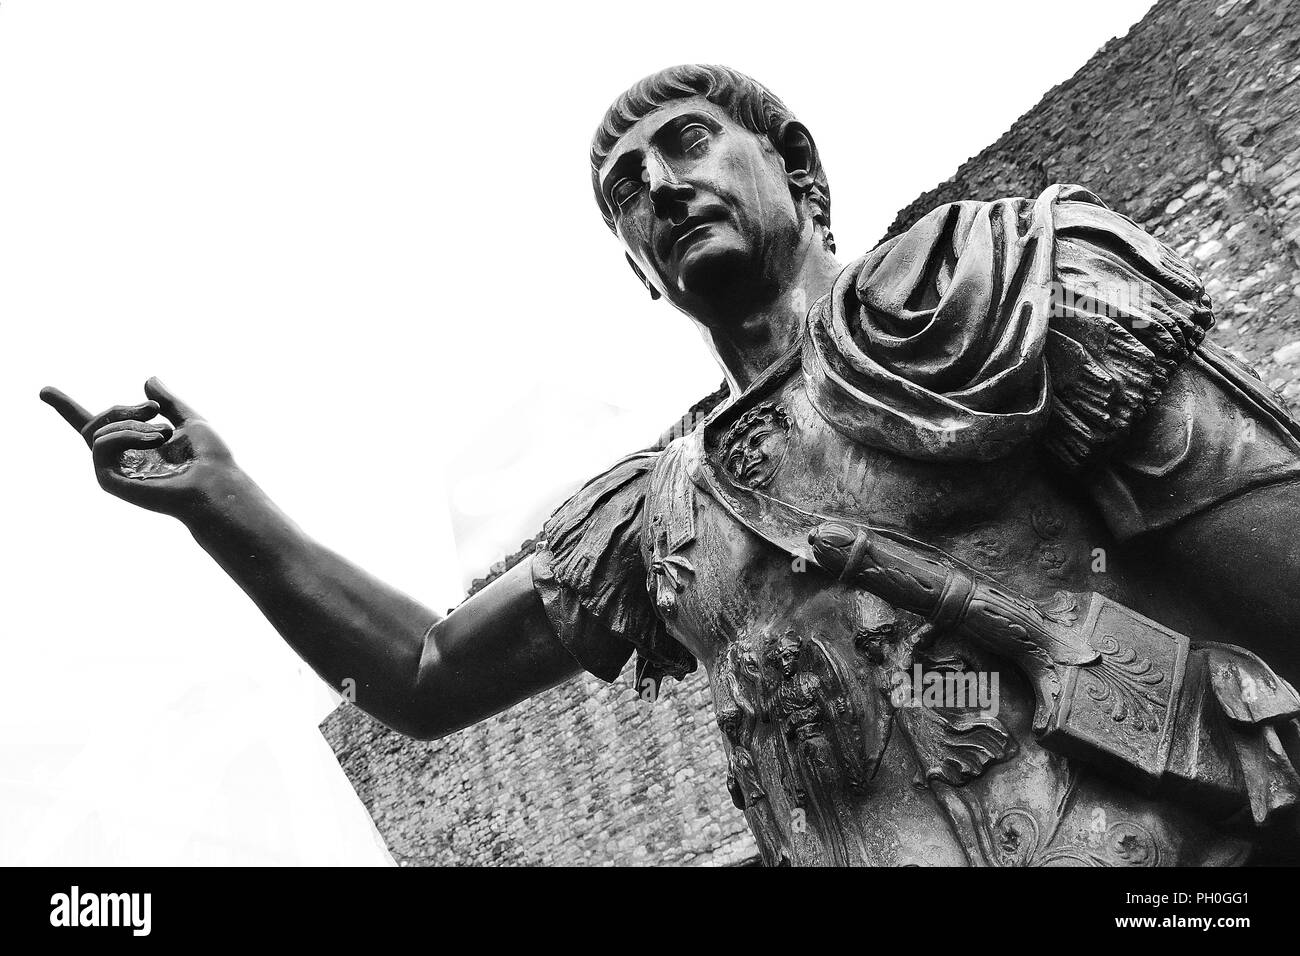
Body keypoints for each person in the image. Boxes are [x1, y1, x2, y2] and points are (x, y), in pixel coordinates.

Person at [43, 64, 1300, 865]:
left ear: (796, 168)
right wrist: (225, 506)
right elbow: (425, 674)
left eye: (688, 143)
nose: (658, 184)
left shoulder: (986, 286)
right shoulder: (656, 512)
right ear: (640, 270)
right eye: (626, 190)